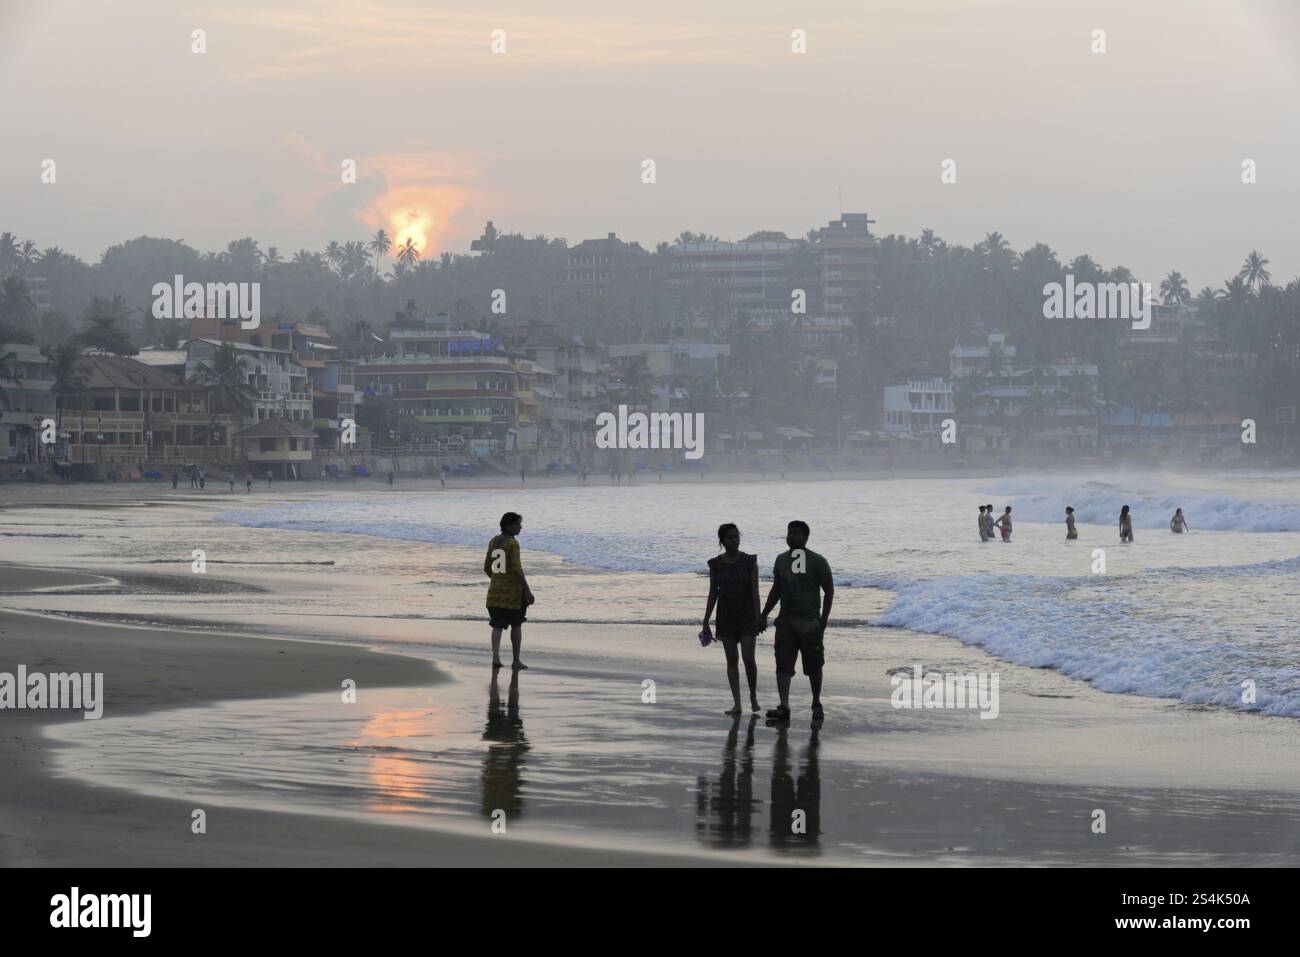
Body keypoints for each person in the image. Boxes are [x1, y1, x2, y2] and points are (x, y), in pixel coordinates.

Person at [759, 521, 833, 727]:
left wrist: (824, 620)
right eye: (789, 532)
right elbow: (776, 590)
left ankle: (816, 703)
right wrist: (764, 614)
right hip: (785, 622)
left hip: (810, 623)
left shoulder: (817, 561)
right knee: (782, 664)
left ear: (806, 537)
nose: (791, 536)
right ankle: (784, 706)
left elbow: (829, 591)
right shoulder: (781, 560)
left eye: (796, 533)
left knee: (814, 665)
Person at [702, 523, 764, 716]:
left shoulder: (749, 561)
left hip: (746, 613)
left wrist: (759, 616)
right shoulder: (715, 564)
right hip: (725, 614)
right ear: (722, 541)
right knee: (732, 660)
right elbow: (713, 593)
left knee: (748, 659)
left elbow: (755, 592)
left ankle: (753, 696)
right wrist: (705, 621)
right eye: (729, 537)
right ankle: (737, 703)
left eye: (736, 536)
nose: (734, 540)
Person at [484, 511, 535, 671]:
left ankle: (496, 657)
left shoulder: (494, 541)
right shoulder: (512, 543)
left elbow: (487, 567)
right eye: (518, 524)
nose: (520, 527)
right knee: (516, 624)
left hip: (495, 592)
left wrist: (497, 579)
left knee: (497, 626)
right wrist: (527, 590)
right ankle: (516, 661)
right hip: (513, 593)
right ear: (509, 526)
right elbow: (517, 569)